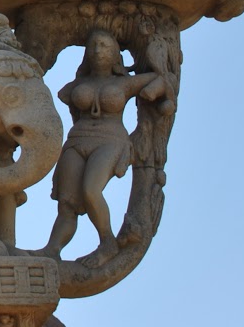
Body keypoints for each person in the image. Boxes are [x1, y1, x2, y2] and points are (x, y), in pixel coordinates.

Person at [38, 30, 172, 260]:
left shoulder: (125, 83)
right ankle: (53, 249)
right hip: (77, 140)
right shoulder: (76, 85)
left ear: (115, 55)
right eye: (94, 46)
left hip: (110, 140)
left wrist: (157, 94)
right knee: (67, 204)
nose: (98, 51)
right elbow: (62, 98)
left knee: (91, 190)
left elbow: (162, 79)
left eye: (105, 46)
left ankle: (106, 242)